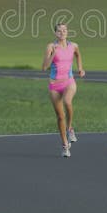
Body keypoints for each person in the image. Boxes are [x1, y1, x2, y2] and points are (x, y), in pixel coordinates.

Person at [41, 22, 85, 157]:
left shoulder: (74, 46)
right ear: (55, 33)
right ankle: (65, 145)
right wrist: (53, 54)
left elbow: (78, 55)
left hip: (69, 81)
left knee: (67, 102)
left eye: (64, 30)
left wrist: (80, 68)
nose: (62, 33)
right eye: (59, 31)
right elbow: (44, 67)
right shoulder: (51, 46)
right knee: (60, 116)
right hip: (55, 85)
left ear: (67, 32)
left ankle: (70, 128)